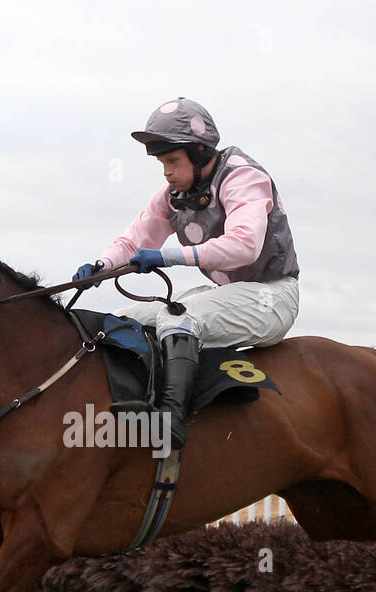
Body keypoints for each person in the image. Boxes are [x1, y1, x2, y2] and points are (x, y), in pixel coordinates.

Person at [74, 97, 300, 450]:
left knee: (180, 320)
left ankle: (171, 420)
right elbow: (134, 240)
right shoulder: (175, 194)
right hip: (227, 294)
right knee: (119, 322)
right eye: (162, 162)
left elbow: (244, 245)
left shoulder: (243, 177)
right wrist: (102, 267)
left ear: (198, 151)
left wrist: (169, 256)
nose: (166, 171)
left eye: (172, 161)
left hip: (271, 296)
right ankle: (135, 409)